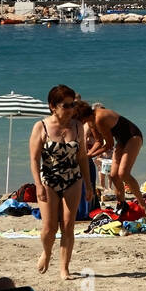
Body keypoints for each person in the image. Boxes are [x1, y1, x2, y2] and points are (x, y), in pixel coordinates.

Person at [29, 88, 92, 278]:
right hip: (49, 179)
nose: (71, 109)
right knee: (49, 227)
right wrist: (38, 185)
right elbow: (34, 159)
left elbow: (82, 157)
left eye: (73, 104)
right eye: (66, 105)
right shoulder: (41, 127)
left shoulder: (78, 126)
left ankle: (64, 267)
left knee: (68, 225)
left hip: (73, 179)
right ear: (53, 107)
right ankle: (47, 252)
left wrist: (89, 186)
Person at [73, 102, 146, 211]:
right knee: (113, 175)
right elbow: (98, 141)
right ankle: (122, 204)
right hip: (121, 140)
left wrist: (90, 155)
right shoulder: (91, 121)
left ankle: (142, 204)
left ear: (82, 117)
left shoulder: (99, 118)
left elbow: (109, 144)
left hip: (133, 137)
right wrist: (87, 155)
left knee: (123, 174)